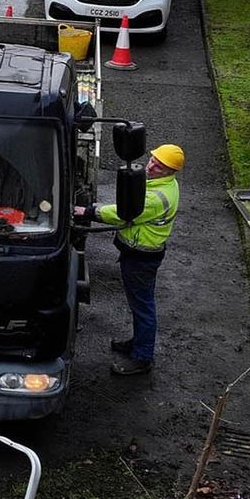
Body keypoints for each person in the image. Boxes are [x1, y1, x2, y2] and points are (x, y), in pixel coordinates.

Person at [76, 142, 183, 376]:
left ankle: (142, 358)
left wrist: (89, 211)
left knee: (143, 306)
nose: (152, 166)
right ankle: (138, 344)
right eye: (153, 159)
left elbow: (125, 213)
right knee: (140, 305)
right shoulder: (165, 184)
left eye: (160, 166)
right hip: (141, 254)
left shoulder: (158, 197)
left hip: (140, 257)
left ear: (171, 172)